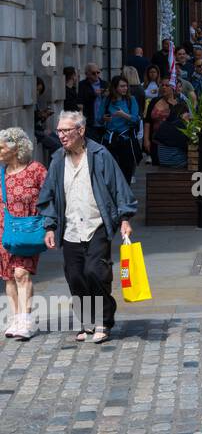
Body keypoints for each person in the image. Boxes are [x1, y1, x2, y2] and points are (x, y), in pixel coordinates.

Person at [36, 110, 136, 344]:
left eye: (66, 130)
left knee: (95, 272)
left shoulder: (100, 155)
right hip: (70, 228)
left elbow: (119, 188)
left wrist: (124, 218)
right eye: (59, 130)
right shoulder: (58, 160)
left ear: (80, 131)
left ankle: (103, 320)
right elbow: (47, 196)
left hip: (96, 224)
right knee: (75, 276)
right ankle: (87, 322)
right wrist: (50, 226)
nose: (61, 135)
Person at [0, 128, 47, 340]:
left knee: (21, 273)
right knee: (9, 277)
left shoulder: (35, 169)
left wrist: (50, 225)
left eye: (2, 147)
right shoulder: (1, 173)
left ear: (16, 148)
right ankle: (15, 319)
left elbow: (49, 196)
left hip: (29, 229)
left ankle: (26, 321)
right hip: (4, 231)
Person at [99, 75, 141, 185]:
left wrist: (124, 115)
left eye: (126, 86)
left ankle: (125, 195)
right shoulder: (107, 100)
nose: (125, 88)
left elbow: (136, 119)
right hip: (110, 140)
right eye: (122, 86)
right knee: (110, 169)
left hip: (125, 139)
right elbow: (98, 119)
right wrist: (104, 118)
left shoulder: (131, 100)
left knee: (126, 169)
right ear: (115, 87)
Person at [143, 81, 190, 167]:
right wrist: (146, 139)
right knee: (156, 165)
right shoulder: (154, 101)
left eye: (167, 85)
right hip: (155, 140)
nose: (164, 87)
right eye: (162, 85)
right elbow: (147, 121)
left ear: (173, 88)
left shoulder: (181, 104)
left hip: (168, 142)